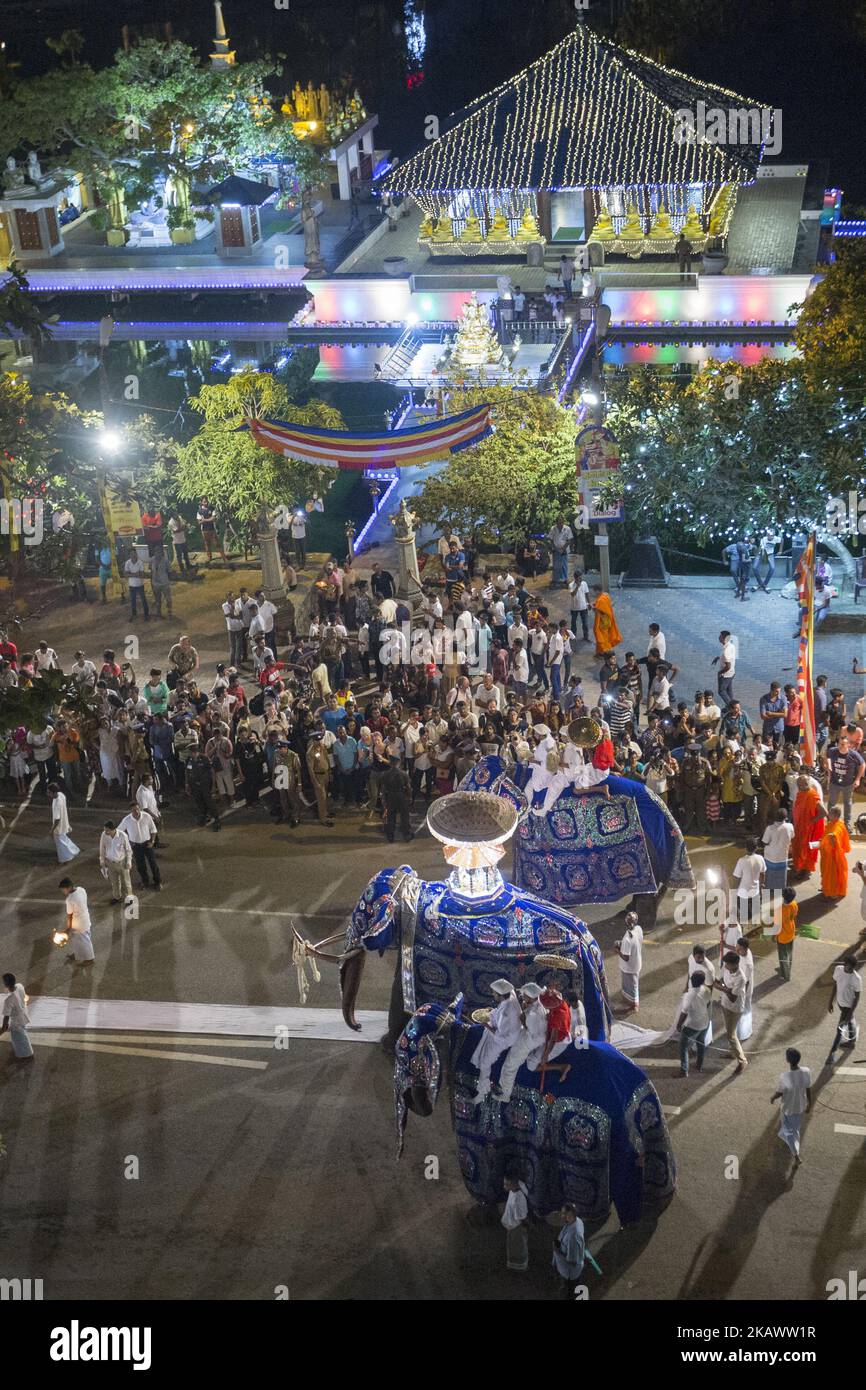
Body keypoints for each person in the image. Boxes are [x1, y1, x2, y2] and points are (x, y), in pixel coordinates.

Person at [471, 979, 523, 1104]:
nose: (493, 995)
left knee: (484, 1063)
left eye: (494, 994)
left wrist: (486, 1025)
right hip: (509, 1029)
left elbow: (500, 1034)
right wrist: (493, 1011)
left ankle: (482, 1093)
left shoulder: (506, 1011)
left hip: (505, 1039)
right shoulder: (510, 995)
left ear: (500, 995)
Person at [497, 981, 548, 1103]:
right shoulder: (540, 1004)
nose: (523, 998)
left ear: (530, 997)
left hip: (529, 1039)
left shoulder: (533, 1014)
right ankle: (503, 1086)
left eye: (525, 996)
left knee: (510, 1064)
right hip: (535, 1036)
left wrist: (523, 1017)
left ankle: (505, 1094)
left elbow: (528, 1027)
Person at [771, 1048, 811, 1167]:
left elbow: (780, 1093)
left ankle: (796, 1156)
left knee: (789, 1133)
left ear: (788, 1060)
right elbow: (808, 1089)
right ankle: (794, 1145)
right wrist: (810, 1103)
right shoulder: (806, 1071)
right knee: (795, 1129)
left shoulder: (785, 1076)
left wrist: (772, 1097)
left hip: (788, 1109)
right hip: (801, 1107)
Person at [714, 951, 749, 1073]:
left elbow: (733, 998)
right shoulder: (726, 967)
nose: (726, 966)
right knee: (729, 1031)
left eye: (728, 964)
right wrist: (725, 988)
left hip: (734, 1009)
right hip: (725, 1003)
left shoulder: (741, 978)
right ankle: (732, 1053)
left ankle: (742, 1061)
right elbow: (719, 979)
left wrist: (721, 987)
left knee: (731, 1035)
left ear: (735, 964)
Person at [676, 969, 712, 1077]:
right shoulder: (706, 990)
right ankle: (699, 1065)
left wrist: (679, 1025)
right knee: (700, 1044)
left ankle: (684, 1070)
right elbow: (707, 1003)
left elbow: (684, 1012)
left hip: (693, 1025)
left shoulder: (689, 995)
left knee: (683, 1047)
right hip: (705, 1022)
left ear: (691, 980)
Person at [118, 803, 162, 891]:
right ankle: (145, 882)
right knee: (140, 865)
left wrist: (152, 841)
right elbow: (119, 832)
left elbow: (153, 830)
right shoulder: (127, 820)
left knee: (153, 864)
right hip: (136, 846)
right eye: (134, 810)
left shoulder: (146, 816)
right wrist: (127, 842)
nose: (136, 811)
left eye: (137, 809)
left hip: (147, 844)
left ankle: (158, 882)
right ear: (131, 811)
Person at [827, 960, 861, 1064]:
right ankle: (852, 1042)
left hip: (848, 1007)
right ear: (845, 965)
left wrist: (849, 1013)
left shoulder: (856, 978)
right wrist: (830, 1001)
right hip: (840, 1003)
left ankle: (831, 1055)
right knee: (850, 1021)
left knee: (840, 1030)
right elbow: (835, 985)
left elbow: (857, 997)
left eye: (852, 969)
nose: (850, 970)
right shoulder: (838, 969)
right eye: (848, 967)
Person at [791, 776, 826, 876]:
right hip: (799, 826)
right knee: (797, 847)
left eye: (804, 784)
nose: (802, 786)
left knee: (805, 849)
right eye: (800, 785)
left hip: (808, 829)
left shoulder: (812, 795)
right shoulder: (800, 793)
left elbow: (824, 812)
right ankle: (800, 866)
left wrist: (811, 821)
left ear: (808, 784)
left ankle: (805, 869)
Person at [59, 878, 95, 965]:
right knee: (78, 940)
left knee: (84, 941)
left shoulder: (70, 899)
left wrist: (68, 928)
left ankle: (89, 959)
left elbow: (70, 915)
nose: (64, 892)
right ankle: (78, 954)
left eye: (64, 890)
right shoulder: (81, 889)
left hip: (79, 923)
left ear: (69, 887)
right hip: (85, 918)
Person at [552, 1203, 585, 1298]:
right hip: (571, 1270)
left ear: (570, 1214)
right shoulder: (578, 1221)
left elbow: (573, 1261)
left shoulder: (573, 1237)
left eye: (563, 1213)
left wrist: (557, 1252)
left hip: (569, 1273)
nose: (561, 1216)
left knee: (568, 1292)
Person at [732, 838, 766, 926]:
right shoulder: (760, 858)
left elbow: (737, 878)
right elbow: (762, 874)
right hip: (755, 891)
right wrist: (761, 884)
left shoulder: (741, 861)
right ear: (756, 848)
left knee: (744, 915)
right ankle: (754, 927)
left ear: (745, 848)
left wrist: (734, 891)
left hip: (743, 893)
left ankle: (745, 930)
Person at [819, 805, 851, 899]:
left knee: (833, 875)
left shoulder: (839, 825)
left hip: (834, 856)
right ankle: (827, 888)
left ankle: (834, 892)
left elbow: (837, 832)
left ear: (836, 816)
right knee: (826, 872)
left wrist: (833, 835)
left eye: (830, 813)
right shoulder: (830, 823)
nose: (828, 814)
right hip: (827, 855)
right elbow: (826, 835)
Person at [614, 911, 643, 1011]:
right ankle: (631, 1003)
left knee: (630, 987)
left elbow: (626, 957)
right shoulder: (639, 929)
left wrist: (618, 951)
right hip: (636, 963)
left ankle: (633, 1005)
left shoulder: (627, 939)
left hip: (629, 967)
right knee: (633, 985)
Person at [99, 820, 133, 904]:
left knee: (126, 882)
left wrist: (129, 861)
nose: (105, 832)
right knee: (114, 882)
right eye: (105, 830)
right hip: (110, 862)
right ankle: (117, 897)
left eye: (107, 830)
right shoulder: (104, 835)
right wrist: (102, 860)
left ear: (113, 829)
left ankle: (129, 899)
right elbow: (102, 848)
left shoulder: (123, 836)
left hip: (122, 862)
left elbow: (128, 850)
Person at [1, 973, 33, 1060]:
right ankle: (25, 1052)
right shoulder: (20, 986)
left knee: (19, 1038)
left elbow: (6, 1017)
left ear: (6, 984)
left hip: (16, 1021)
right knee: (22, 1034)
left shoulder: (9, 1000)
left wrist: (3, 1029)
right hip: (24, 1014)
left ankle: (26, 1055)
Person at [501, 1176, 530, 1273]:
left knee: (518, 1247)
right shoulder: (514, 1190)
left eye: (507, 1184)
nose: (504, 1186)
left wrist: (527, 1227)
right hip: (512, 1224)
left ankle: (520, 1267)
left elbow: (522, 1218)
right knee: (514, 1246)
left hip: (516, 1227)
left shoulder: (519, 1199)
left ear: (513, 1185)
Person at [382, 755, 412, 842]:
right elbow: (408, 787)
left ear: (390, 763)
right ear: (398, 762)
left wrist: (383, 799)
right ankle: (406, 834)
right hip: (401, 796)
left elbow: (383, 789)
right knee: (404, 816)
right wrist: (409, 797)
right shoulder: (404, 774)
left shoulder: (385, 774)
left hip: (390, 796)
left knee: (391, 816)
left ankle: (391, 836)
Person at [49, 782, 79, 863]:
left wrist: (52, 830)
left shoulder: (56, 803)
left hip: (59, 826)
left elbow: (57, 819)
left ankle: (65, 857)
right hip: (64, 823)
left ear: (53, 792)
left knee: (60, 843)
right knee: (64, 839)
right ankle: (73, 850)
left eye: (49, 792)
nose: (49, 794)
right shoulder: (61, 795)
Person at [774, 886, 798, 981]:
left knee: (783, 956)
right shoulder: (794, 904)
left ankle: (785, 975)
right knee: (789, 953)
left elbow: (776, 925)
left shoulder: (779, 909)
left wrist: (773, 936)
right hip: (791, 932)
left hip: (782, 936)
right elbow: (794, 916)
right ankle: (786, 968)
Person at [592, 588, 622, 657]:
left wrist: (593, 608)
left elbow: (599, 611)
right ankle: (599, 652)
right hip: (608, 621)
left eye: (595, 591)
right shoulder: (606, 596)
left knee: (601, 637)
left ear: (598, 590)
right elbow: (606, 606)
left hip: (602, 622)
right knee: (604, 636)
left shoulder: (600, 600)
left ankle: (604, 651)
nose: (594, 593)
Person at [712, 630, 736, 706]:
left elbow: (728, 666)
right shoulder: (731, 646)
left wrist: (720, 673)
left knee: (721, 691)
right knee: (729, 691)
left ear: (723, 638)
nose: (718, 637)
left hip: (725, 675)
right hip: (732, 673)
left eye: (720, 636)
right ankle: (733, 705)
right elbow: (729, 657)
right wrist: (719, 658)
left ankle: (732, 707)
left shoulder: (726, 650)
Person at [547, 516, 573, 588]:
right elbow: (550, 540)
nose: (560, 524)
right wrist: (555, 548)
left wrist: (563, 549)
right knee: (556, 565)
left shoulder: (567, 529)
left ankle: (565, 580)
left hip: (564, 550)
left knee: (564, 565)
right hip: (556, 550)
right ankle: (556, 580)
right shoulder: (553, 529)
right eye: (558, 522)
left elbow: (569, 540)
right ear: (556, 523)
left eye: (561, 522)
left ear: (563, 522)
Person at [124, 549, 150, 620]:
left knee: (143, 599)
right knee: (133, 600)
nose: (133, 555)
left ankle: (146, 614)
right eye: (131, 553)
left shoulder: (140, 562)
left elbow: (142, 575)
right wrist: (136, 574)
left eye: (134, 553)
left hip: (140, 585)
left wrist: (131, 574)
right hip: (131, 585)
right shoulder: (128, 563)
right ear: (129, 555)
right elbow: (125, 574)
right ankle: (134, 614)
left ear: (136, 554)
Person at [197, 498, 225, 562]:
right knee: (207, 544)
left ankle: (223, 557)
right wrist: (206, 520)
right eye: (204, 502)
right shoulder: (199, 511)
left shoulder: (211, 508)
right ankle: (209, 557)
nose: (206, 503)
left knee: (217, 544)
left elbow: (213, 519)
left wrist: (204, 520)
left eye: (207, 501)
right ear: (201, 502)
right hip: (204, 530)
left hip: (212, 529)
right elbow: (199, 522)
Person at [150, 544, 173, 619]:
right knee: (158, 599)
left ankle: (169, 611)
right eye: (156, 551)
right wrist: (152, 584)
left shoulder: (166, 561)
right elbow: (151, 572)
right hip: (155, 583)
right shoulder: (152, 560)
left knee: (168, 599)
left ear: (161, 552)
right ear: (154, 552)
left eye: (159, 551)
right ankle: (159, 613)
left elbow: (169, 572)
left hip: (164, 583)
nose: (157, 553)